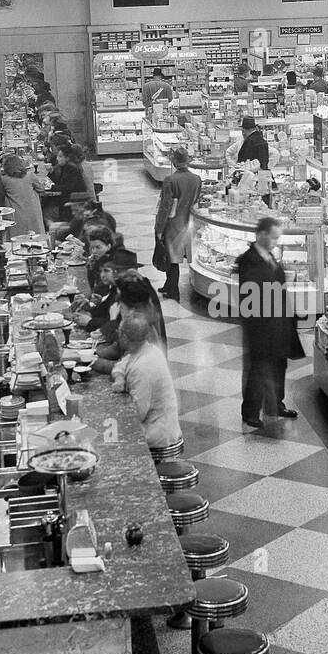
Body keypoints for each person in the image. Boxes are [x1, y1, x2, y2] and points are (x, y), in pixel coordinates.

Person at [237, 216, 304, 429]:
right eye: (273, 237)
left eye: (277, 238)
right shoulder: (249, 261)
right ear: (262, 234)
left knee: (278, 365)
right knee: (259, 368)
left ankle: (276, 404)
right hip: (262, 326)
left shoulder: (270, 256)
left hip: (279, 324)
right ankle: (250, 412)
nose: (276, 241)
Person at [110, 312, 181, 454]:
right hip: (156, 426)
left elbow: (137, 414)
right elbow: (121, 365)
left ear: (124, 337)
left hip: (156, 434)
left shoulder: (143, 367)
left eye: (119, 333)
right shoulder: (147, 350)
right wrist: (119, 378)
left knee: (107, 439)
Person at [153, 147, 201, 302]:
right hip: (189, 222)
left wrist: (159, 228)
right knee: (178, 255)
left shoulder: (170, 180)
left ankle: (173, 291)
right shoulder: (196, 179)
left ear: (173, 161)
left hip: (173, 223)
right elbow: (195, 201)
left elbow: (164, 207)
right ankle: (168, 285)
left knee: (172, 258)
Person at [1, 154, 48, 238]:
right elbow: (41, 189)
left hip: (15, 213)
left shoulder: (4, 179)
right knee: (37, 237)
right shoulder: (30, 175)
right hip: (32, 211)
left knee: (17, 238)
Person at [84, 225, 116, 292]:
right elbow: (92, 285)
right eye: (92, 248)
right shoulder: (95, 259)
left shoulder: (112, 263)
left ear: (108, 246)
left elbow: (103, 289)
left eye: (98, 247)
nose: (94, 251)